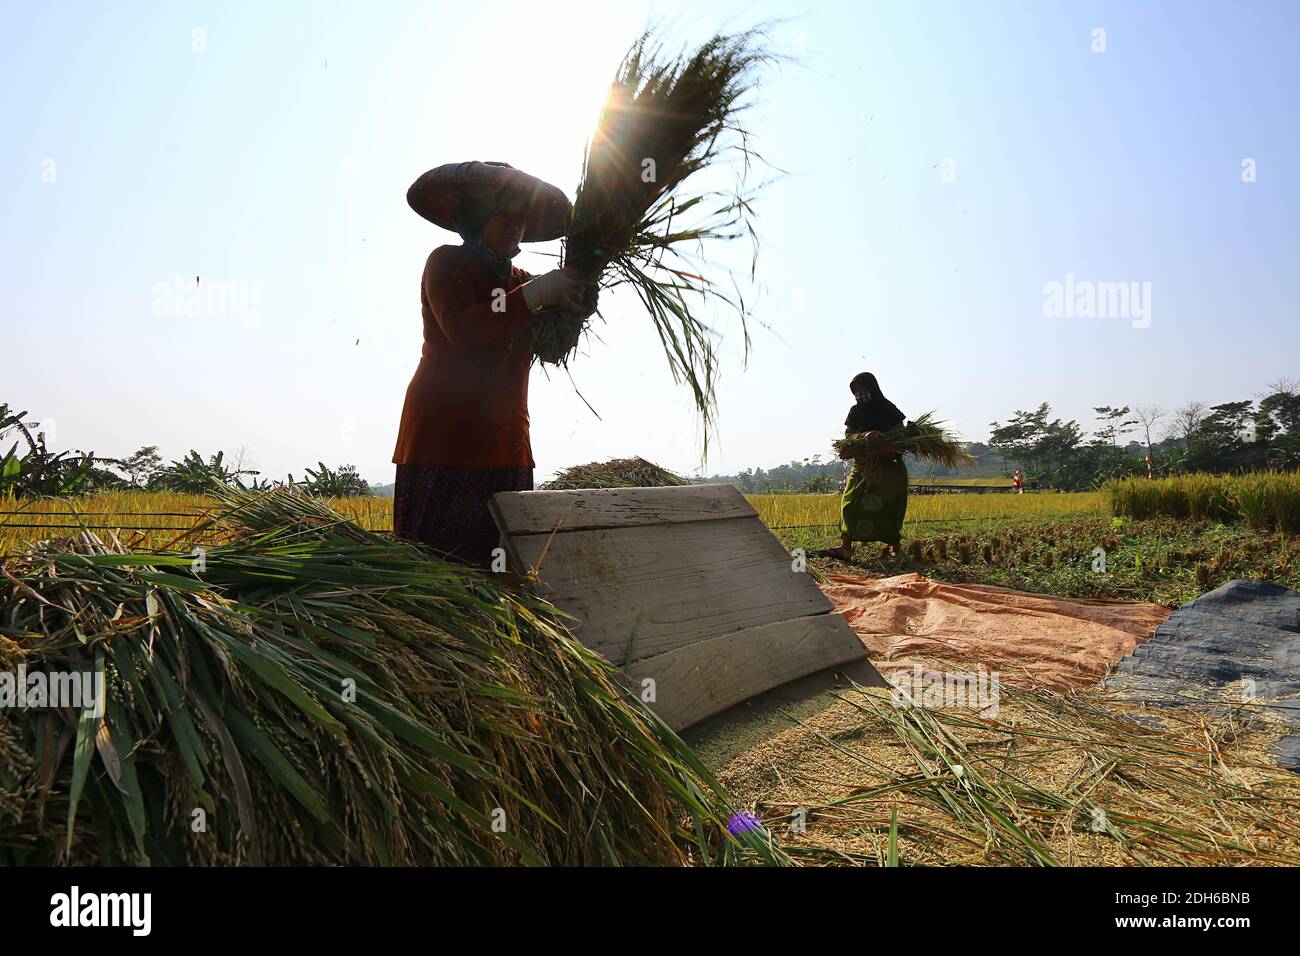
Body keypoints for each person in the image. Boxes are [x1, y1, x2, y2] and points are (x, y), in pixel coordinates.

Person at [391, 161, 594, 565]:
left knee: (502, 572)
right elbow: (463, 329)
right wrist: (537, 295)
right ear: (477, 216)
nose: (515, 224)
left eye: (522, 217)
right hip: (445, 440)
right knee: (439, 570)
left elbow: (550, 347)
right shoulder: (447, 263)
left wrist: (574, 305)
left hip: (506, 444)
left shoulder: (522, 280)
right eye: (505, 214)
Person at [835, 372, 908, 560]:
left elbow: (901, 438)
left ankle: (896, 548)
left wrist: (884, 445)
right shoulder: (855, 412)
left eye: (862, 390)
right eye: (855, 391)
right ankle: (846, 546)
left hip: (889, 468)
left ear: (872, 388)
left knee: (890, 507)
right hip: (862, 467)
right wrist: (863, 437)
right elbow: (848, 437)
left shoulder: (889, 409)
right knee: (850, 504)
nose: (859, 394)